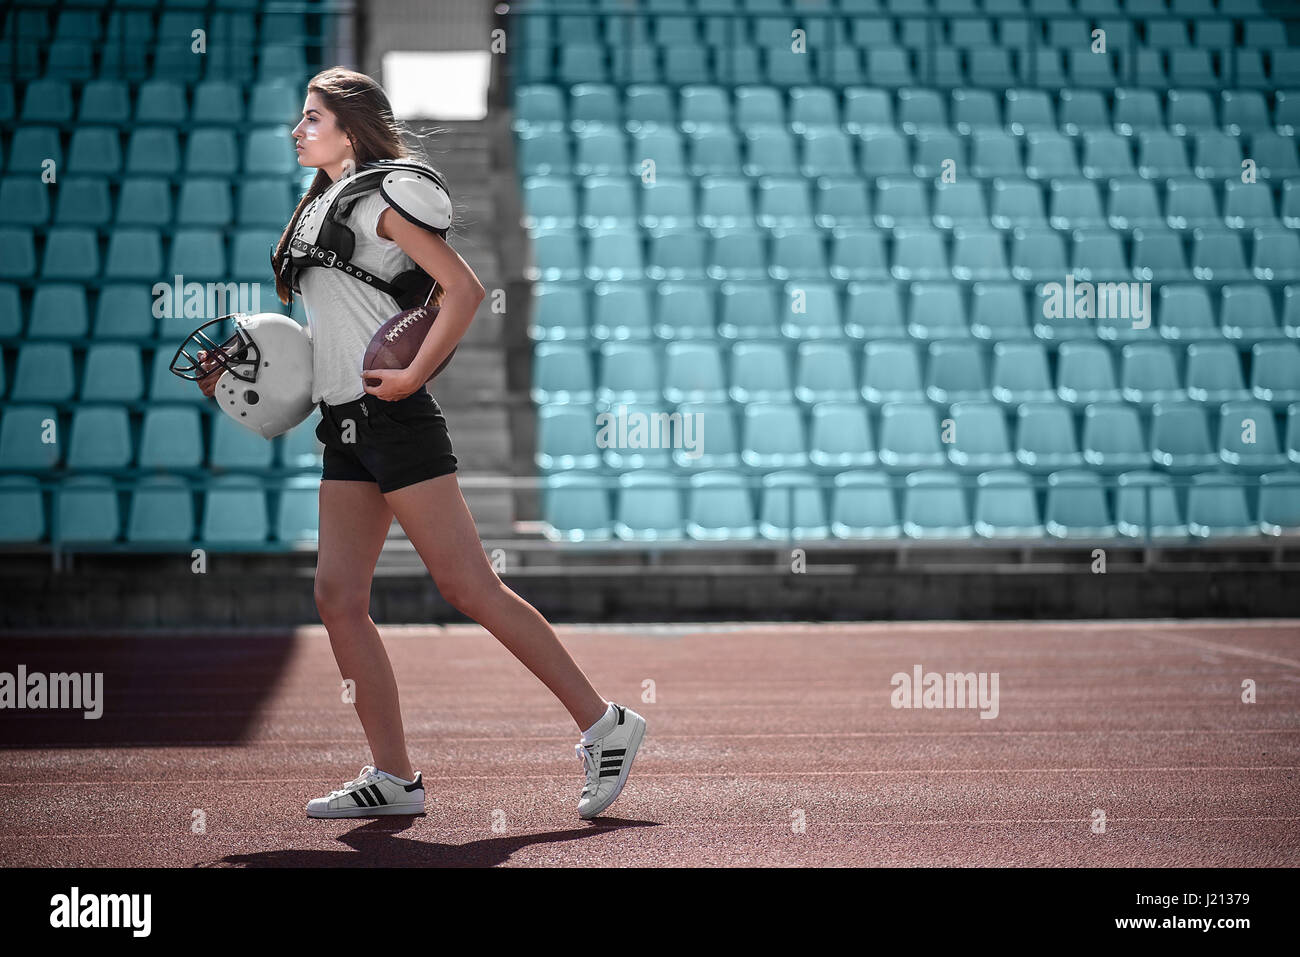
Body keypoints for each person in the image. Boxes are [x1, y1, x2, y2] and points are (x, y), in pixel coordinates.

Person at [194, 67, 644, 820]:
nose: (297, 130)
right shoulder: (319, 205)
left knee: (469, 586)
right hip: (343, 423)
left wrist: (412, 379)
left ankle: (607, 724)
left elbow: (462, 291)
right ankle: (394, 777)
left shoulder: (380, 195)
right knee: (338, 598)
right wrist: (249, 376)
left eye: (312, 118)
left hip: (393, 417)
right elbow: (333, 333)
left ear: (350, 125)